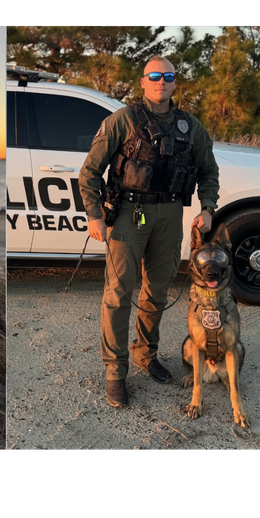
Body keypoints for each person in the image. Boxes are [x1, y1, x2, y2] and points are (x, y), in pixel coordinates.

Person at [79, 56, 220, 408]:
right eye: (154, 76)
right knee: (118, 292)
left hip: (171, 213)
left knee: (157, 290)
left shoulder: (190, 126)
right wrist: (94, 215)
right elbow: (89, 172)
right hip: (128, 212)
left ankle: (145, 353)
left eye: (168, 76)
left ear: (175, 82)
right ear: (143, 82)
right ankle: (115, 372)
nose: (161, 81)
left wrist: (207, 207)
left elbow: (209, 171)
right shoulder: (122, 120)